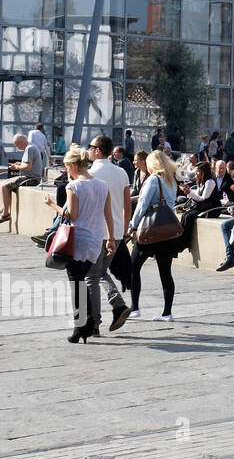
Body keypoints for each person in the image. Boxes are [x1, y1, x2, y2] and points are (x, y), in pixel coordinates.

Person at [45, 146, 115, 343]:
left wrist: (52, 204)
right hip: (96, 241)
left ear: (73, 166)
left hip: (78, 241)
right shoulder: (102, 185)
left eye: (68, 167)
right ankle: (87, 325)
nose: (67, 171)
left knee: (76, 283)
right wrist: (110, 239)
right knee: (81, 281)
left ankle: (81, 327)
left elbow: (71, 216)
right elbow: (108, 215)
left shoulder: (73, 186)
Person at [126, 150, 183, 321]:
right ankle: (167, 312)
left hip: (150, 231)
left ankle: (135, 307)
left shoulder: (153, 180)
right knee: (166, 272)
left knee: (133, 267)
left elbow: (143, 205)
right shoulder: (171, 180)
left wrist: (132, 226)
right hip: (167, 231)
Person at [86, 135, 133, 333]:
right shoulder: (121, 172)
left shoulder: (90, 173)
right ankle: (117, 306)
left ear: (98, 150)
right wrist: (125, 228)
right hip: (117, 231)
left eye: (90, 147)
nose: (88, 150)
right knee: (100, 272)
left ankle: (95, 322)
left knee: (91, 277)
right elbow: (127, 204)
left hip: (97, 231)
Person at [0, 133, 42, 224]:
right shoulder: (32, 147)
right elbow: (27, 165)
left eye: (17, 145)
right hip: (32, 177)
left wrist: (16, 167)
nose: (17, 147)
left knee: (4, 186)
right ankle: (3, 209)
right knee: (7, 184)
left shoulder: (29, 148)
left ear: (22, 141)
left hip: (31, 179)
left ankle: (5, 214)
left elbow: (28, 167)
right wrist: (19, 164)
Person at [178, 160, 221, 250]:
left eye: (198, 171)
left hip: (212, 209)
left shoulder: (210, 182)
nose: (196, 173)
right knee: (185, 215)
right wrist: (188, 191)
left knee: (189, 216)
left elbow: (203, 198)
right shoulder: (200, 181)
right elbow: (197, 196)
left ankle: (185, 242)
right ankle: (181, 240)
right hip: (202, 207)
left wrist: (189, 192)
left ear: (204, 172)